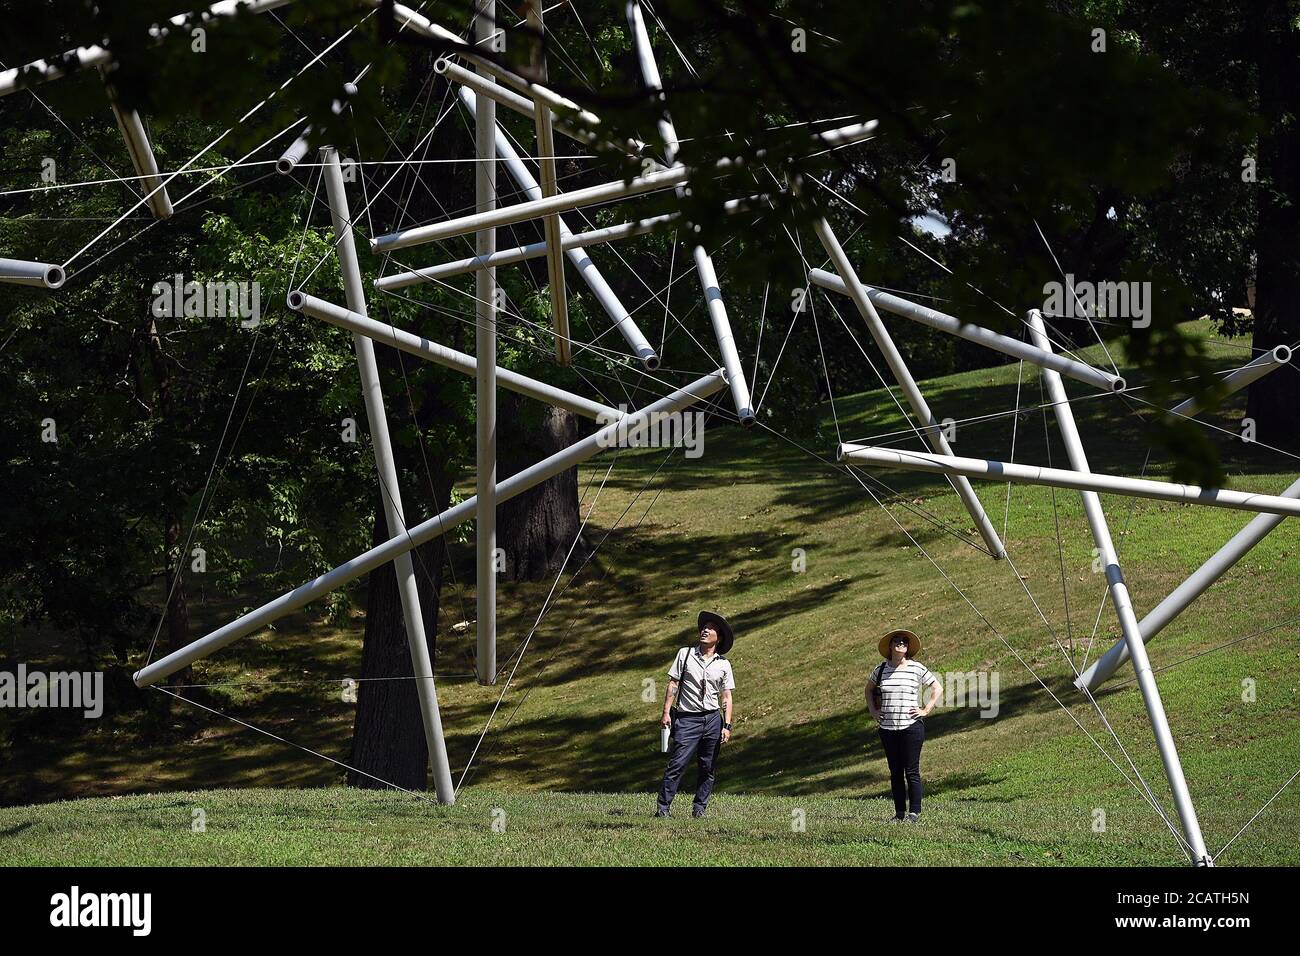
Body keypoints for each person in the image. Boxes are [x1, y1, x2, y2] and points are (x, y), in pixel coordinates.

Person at [654, 611, 735, 818]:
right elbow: (673, 684)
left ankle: (700, 809)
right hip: (687, 719)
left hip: (712, 719)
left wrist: (727, 725)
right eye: (703, 627)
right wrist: (666, 713)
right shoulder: (685, 654)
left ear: (720, 636)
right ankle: (663, 809)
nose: (705, 630)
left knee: (707, 767)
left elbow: (726, 696)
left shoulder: (723, 664)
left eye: (711, 628)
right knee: (677, 764)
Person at [866, 628, 941, 823]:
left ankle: (914, 813)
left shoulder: (916, 668)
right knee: (895, 772)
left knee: (912, 770)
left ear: (908, 648)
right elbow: (869, 690)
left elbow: (937, 688)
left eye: (905, 641)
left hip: (911, 727)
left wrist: (926, 710)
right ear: (890, 646)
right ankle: (899, 814)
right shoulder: (880, 670)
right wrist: (873, 711)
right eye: (897, 641)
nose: (901, 643)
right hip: (888, 729)